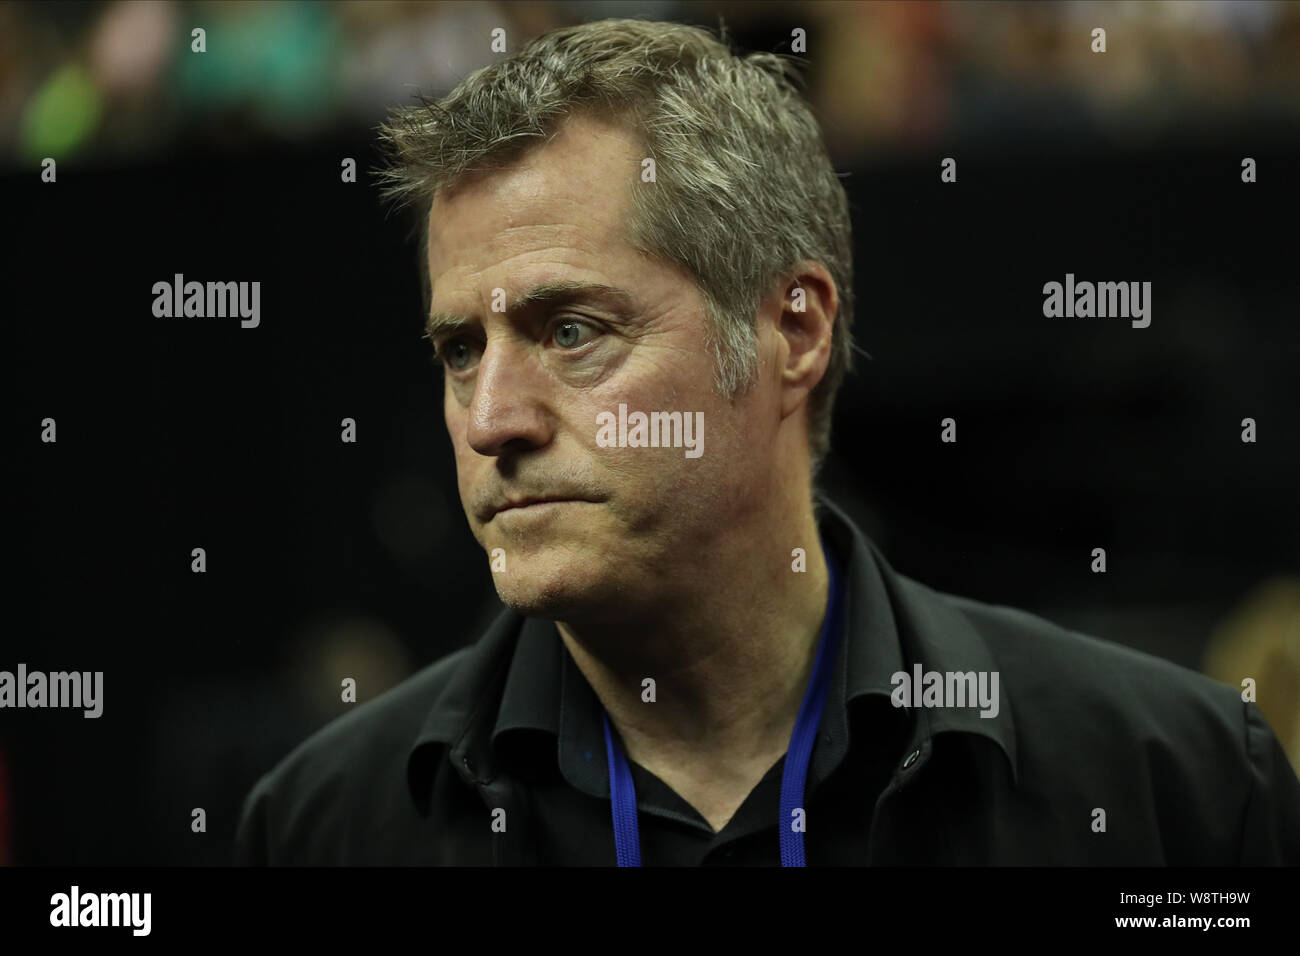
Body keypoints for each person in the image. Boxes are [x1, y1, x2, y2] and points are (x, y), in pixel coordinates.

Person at [233, 18, 1300, 866]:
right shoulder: (323, 827)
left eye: (571, 330)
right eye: (461, 348)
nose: (490, 416)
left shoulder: (1171, 783)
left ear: (792, 328)